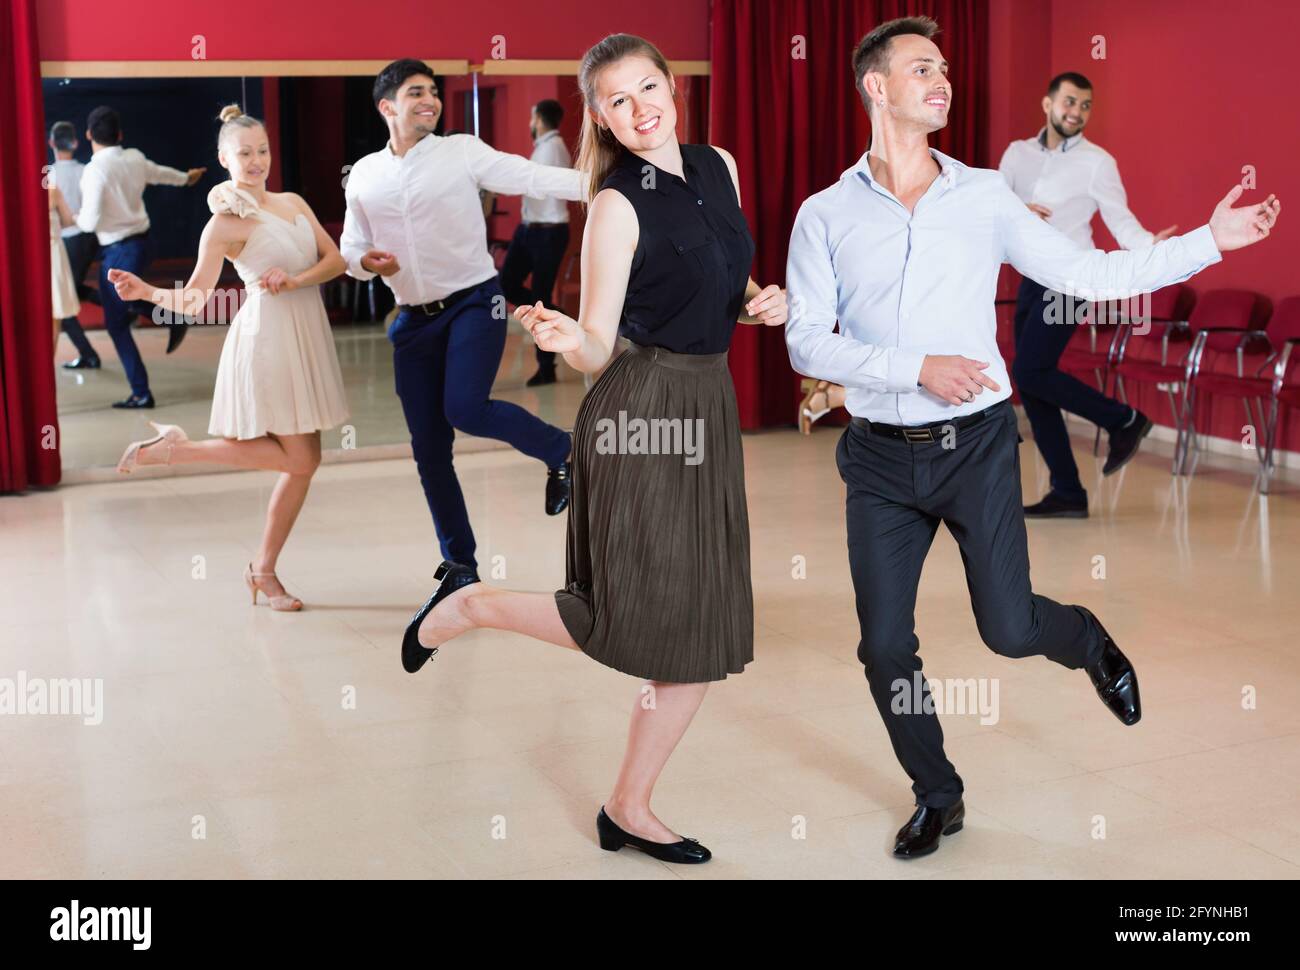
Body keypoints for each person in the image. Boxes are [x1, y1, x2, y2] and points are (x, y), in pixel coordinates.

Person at [784, 16, 1280, 859]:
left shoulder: (982, 194)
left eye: (944, 67)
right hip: (876, 458)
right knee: (882, 644)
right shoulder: (823, 214)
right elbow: (806, 341)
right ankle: (938, 794)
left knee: (1008, 631)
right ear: (876, 86)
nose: (941, 80)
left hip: (973, 444)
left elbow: (1086, 272)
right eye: (920, 69)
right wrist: (915, 368)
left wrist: (1205, 242)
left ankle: (1086, 640)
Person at [400, 34, 787, 864]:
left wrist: (758, 301)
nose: (641, 108)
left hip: (705, 401)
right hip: (640, 410)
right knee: (627, 614)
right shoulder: (616, 202)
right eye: (618, 99)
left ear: (672, 86)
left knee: (700, 628)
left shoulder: (717, 162)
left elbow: (724, 271)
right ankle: (469, 607)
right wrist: (568, 333)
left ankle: (628, 807)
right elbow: (597, 348)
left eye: (650, 86)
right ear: (600, 117)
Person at [340, 59, 583, 579]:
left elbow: (532, 175)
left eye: (432, 91)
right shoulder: (363, 174)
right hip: (412, 321)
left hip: (475, 302)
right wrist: (364, 262)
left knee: (465, 408)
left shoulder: (461, 152)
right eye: (415, 92)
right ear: (387, 107)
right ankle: (461, 563)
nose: (429, 99)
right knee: (429, 450)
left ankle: (563, 450)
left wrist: (607, 184)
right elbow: (351, 247)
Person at [112, 105, 350, 611]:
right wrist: (146, 292)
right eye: (245, 153)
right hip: (269, 337)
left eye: (262, 150)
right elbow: (196, 298)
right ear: (224, 158)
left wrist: (297, 280)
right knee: (303, 458)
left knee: (304, 462)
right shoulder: (224, 222)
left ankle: (262, 569)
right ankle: (181, 453)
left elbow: (336, 260)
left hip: (304, 327)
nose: (257, 160)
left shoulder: (293, 202)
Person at [999, 72, 1178, 517]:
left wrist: (1151, 247)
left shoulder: (1098, 162)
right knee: (1031, 381)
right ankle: (1068, 492)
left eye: (1085, 106)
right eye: (1069, 102)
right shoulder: (1017, 155)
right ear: (1047, 103)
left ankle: (1123, 419)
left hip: (1074, 279)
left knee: (1031, 369)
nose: (1076, 112)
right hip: (1031, 278)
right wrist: (1017, 211)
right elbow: (993, 208)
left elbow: (1121, 221)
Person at [75, 105, 206, 408]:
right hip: (144, 244)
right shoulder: (133, 157)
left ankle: (143, 388)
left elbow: (90, 222)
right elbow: (161, 174)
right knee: (119, 313)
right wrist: (187, 179)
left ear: (88, 135)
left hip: (121, 250)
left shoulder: (94, 170)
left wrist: (69, 217)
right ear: (119, 134)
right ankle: (167, 325)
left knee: (121, 315)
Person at [499, 98, 574, 387]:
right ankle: (558, 313)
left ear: (539, 120)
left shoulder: (552, 149)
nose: (530, 124)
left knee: (540, 296)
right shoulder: (543, 148)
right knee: (507, 283)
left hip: (549, 232)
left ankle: (547, 367)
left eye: (532, 119)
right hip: (529, 229)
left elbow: (541, 186)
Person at [48, 120, 102, 369]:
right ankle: (117, 303)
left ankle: (88, 353)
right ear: (76, 143)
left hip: (64, 243)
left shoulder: (47, 175)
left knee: (63, 301)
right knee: (70, 292)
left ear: (51, 144)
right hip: (87, 237)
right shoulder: (85, 170)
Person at [48, 183, 80, 357]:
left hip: (28, 256)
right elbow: (68, 220)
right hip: (53, 255)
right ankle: (47, 365)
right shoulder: (52, 190)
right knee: (55, 311)